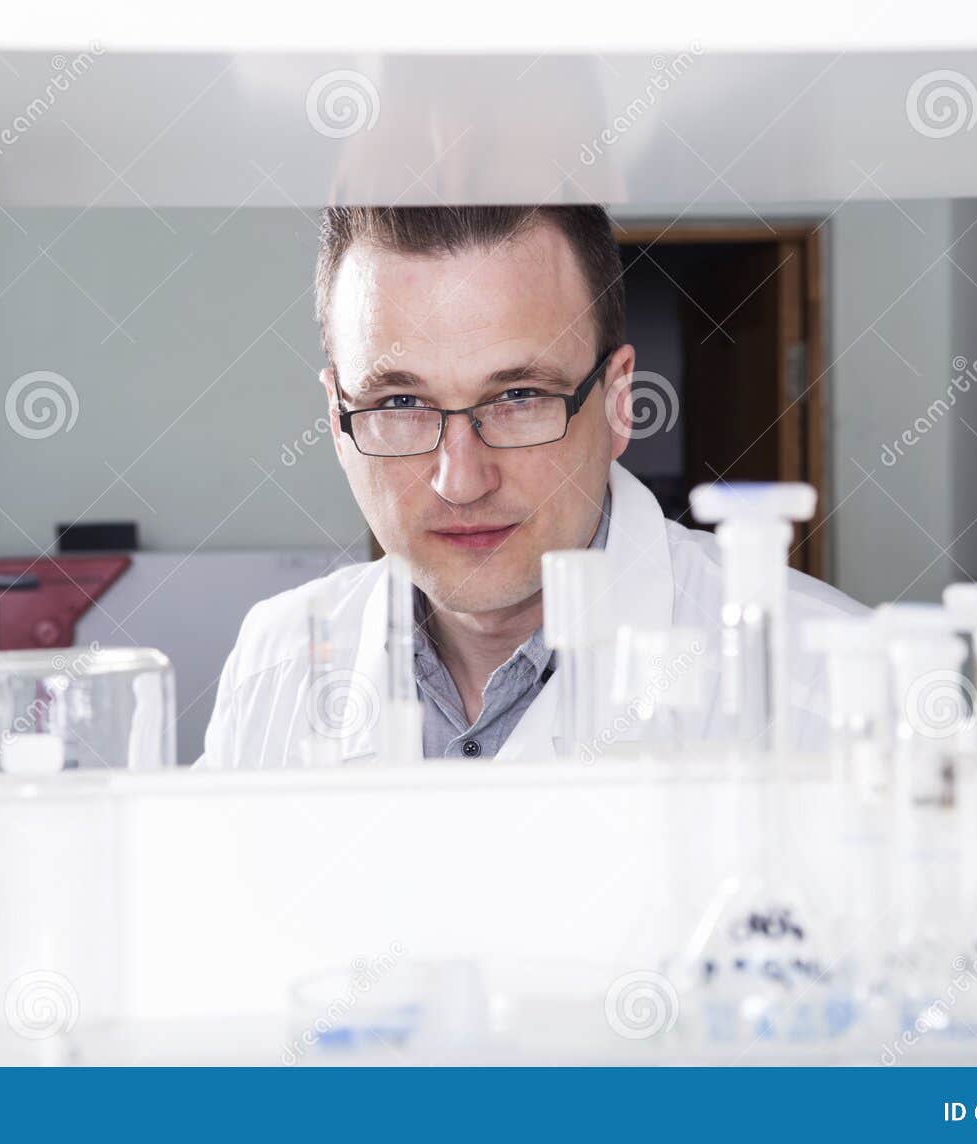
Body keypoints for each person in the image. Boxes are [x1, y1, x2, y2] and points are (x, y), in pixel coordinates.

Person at [198, 205, 864, 768]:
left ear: (618, 399)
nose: (461, 480)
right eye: (399, 404)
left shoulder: (830, 684)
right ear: (337, 425)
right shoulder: (274, 664)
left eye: (518, 396)